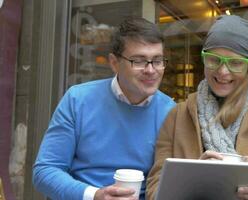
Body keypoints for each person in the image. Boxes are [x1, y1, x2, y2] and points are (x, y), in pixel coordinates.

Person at [146, 15, 248, 200]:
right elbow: (154, 191)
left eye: (235, 63)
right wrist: (192, 179)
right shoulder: (177, 117)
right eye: (213, 60)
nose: (223, 71)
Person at [33, 17, 176, 200]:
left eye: (157, 60)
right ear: (114, 63)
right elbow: (45, 171)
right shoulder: (78, 100)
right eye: (138, 61)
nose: (150, 70)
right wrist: (95, 195)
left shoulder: (171, 112)